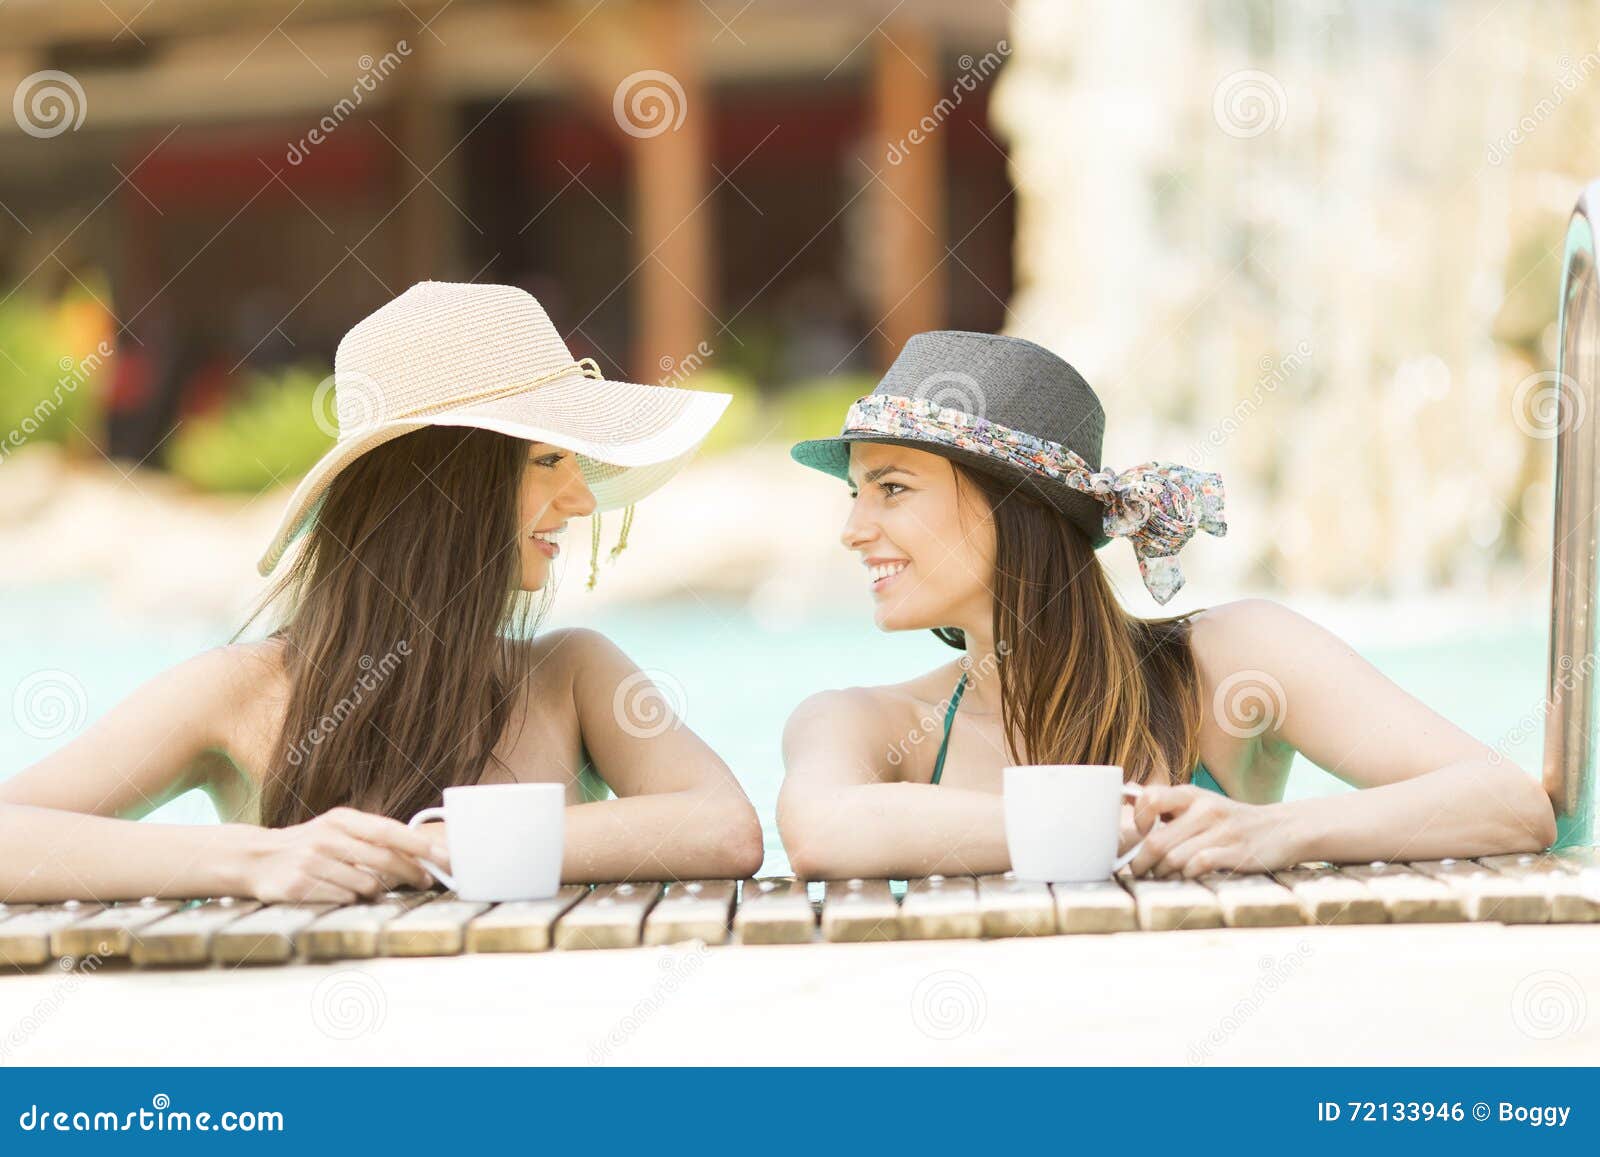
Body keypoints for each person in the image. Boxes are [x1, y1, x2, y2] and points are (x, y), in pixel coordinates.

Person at [0, 281, 763, 903]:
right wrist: (248, 860)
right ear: (442, 490)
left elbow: (726, 828)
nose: (583, 500)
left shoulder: (572, 675)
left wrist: (434, 845)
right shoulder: (242, 689)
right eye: (545, 463)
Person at [778, 330, 1556, 880]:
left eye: (891, 488)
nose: (853, 529)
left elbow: (1509, 805)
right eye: (857, 492)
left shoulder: (1232, 662)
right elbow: (818, 830)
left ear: (1013, 506)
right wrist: (1114, 824)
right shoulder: (864, 722)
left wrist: (1275, 832)